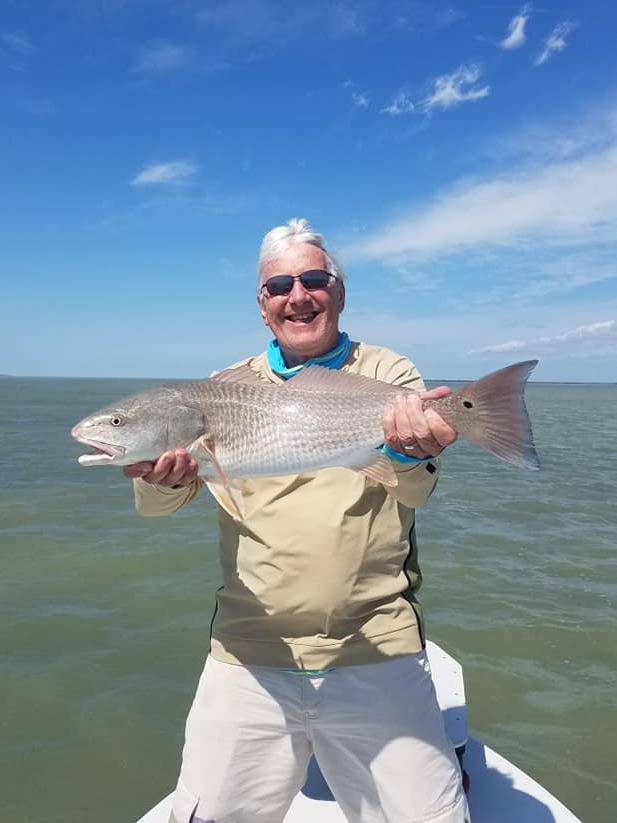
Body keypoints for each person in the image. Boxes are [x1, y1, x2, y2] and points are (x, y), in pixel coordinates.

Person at [125, 219, 469, 823]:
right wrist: (162, 480)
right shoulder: (223, 388)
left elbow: (416, 491)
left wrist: (409, 452)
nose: (297, 296)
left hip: (375, 646)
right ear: (262, 306)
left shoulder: (388, 374)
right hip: (249, 650)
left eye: (313, 280)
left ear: (339, 292)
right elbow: (160, 507)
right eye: (279, 286)